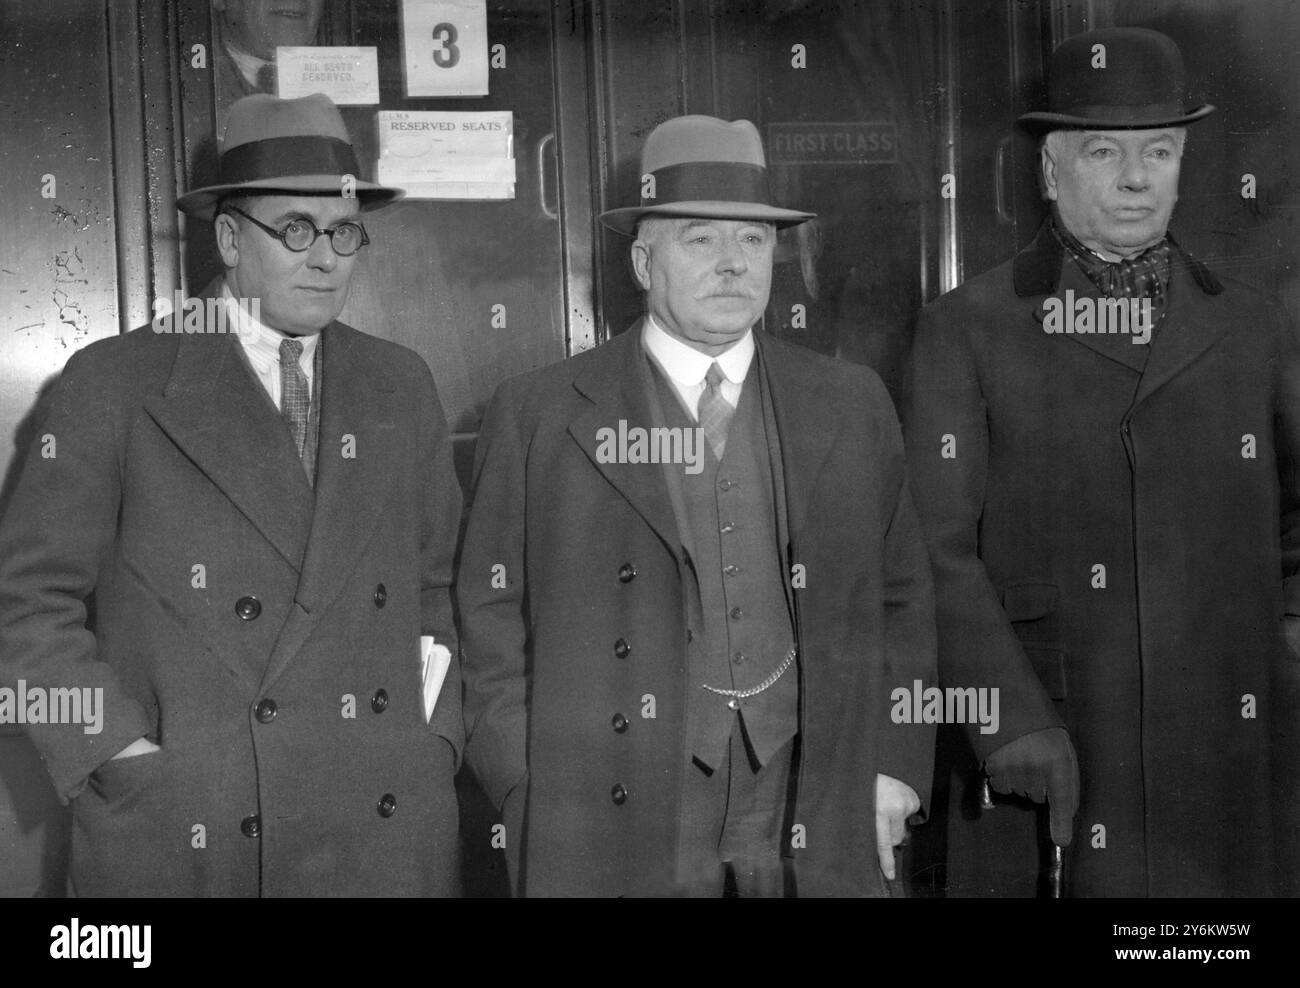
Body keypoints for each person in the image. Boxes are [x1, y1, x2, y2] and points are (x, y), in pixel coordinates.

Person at [458, 114, 937, 896]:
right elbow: (489, 614)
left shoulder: (850, 402)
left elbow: (904, 595)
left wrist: (894, 768)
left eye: (753, 241)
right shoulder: (539, 412)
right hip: (615, 802)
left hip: (811, 791)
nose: (732, 264)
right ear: (644, 261)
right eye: (700, 239)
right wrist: (526, 785)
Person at [0, 93, 464, 896]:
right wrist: (117, 754)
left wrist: (435, 740)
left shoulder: (401, 383)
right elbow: (25, 607)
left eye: (345, 231)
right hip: (193, 830)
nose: (325, 257)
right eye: (295, 230)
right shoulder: (116, 384)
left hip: (383, 831)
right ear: (226, 238)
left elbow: (440, 588)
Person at [904, 27, 1300, 896]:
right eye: (1104, 152)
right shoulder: (966, 330)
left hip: (1232, 753)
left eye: (1159, 150)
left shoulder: (1254, 327)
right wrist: (1005, 722)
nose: (1135, 177)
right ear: (1052, 171)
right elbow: (933, 552)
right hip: (1059, 748)